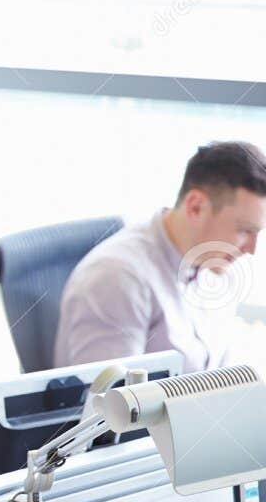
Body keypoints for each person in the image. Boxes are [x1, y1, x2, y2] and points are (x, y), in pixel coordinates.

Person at [54, 141, 266, 374]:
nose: (251, 249)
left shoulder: (212, 262)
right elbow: (108, 405)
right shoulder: (117, 278)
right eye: (244, 230)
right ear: (196, 207)